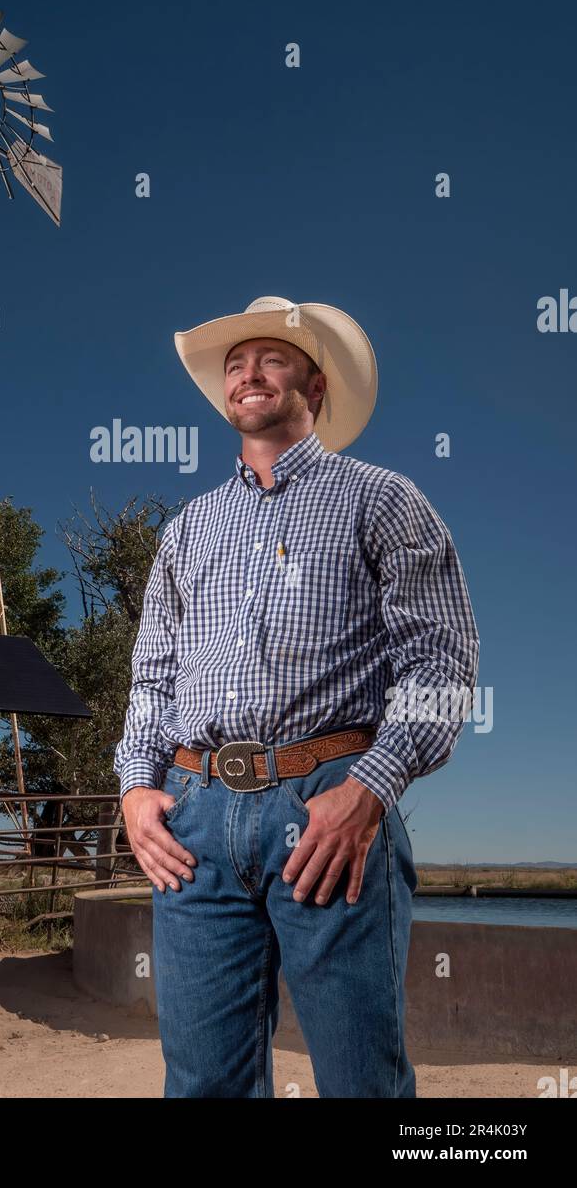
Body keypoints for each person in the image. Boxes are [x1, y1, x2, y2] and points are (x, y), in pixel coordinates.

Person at [114, 295, 479, 1098]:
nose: (249, 373)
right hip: (194, 818)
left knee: (360, 1081)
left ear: (314, 387)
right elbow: (153, 677)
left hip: (328, 808)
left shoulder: (381, 499)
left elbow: (442, 665)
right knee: (204, 1083)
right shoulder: (186, 529)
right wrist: (138, 788)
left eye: (272, 359)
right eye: (236, 364)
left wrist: (370, 790)